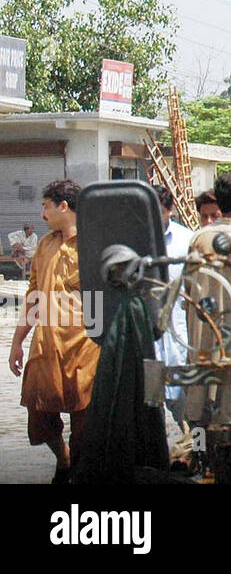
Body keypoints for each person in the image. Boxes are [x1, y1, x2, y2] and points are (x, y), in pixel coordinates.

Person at [7, 180, 99, 483]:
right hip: (45, 344)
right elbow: (33, 295)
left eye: (46, 205)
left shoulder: (94, 243)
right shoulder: (46, 245)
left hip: (85, 345)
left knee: (86, 418)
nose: (42, 213)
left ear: (63, 206)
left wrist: (100, 342)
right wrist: (18, 341)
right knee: (39, 415)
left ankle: (78, 471)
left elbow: (101, 298)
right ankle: (63, 457)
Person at [184, 173, 231, 482]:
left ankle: (207, 467)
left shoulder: (198, 239)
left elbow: (186, 295)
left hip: (201, 343)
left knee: (200, 414)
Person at [151, 186, 193, 437]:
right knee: (150, 411)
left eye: (159, 212)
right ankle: (157, 464)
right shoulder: (131, 241)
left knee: (191, 412)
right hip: (147, 346)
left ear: (170, 211)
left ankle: (200, 454)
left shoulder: (187, 240)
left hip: (181, 340)